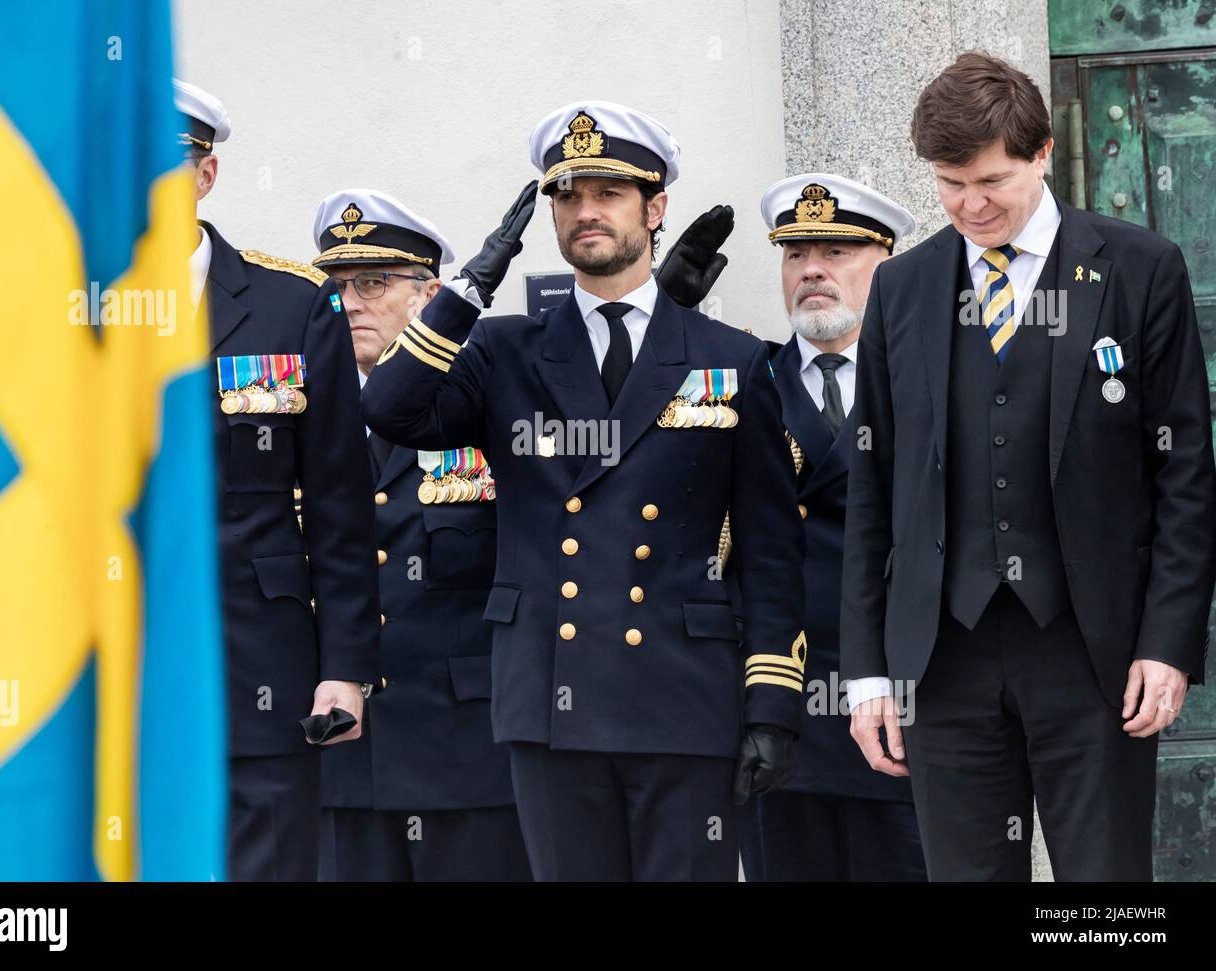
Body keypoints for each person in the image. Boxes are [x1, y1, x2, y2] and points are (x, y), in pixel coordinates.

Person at [360, 101, 806, 882]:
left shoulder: (729, 359)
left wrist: (771, 701)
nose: (585, 211)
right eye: (567, 195)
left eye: (609, 193)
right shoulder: (506, 349)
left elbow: (769, 550)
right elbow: (391, 408)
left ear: (655, 207)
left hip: (682, 702)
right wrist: (469, 287)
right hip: (549, 705)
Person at [840, 53, 1216, 880]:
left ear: (1043, 151)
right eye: (949, 183)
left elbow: (1184, 476)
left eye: (991, 180)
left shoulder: (1139, 268)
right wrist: (867, 669)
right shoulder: (901, 289)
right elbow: (872, 490)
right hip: (945, 657)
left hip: (1094, 652)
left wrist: (1168, 642)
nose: (970, 204)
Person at [175, 80, 382, 881]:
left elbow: (339, 503)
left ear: (207, 174)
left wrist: (346, 667)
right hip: (118, 655)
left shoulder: (291, 306)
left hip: (262, 660)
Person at [309, 188, 531, 881]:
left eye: (372, 283)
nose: (349, 301)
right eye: (336, 286)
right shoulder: (296, 417)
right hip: (342, 761)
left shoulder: (490, 402)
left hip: (468, 761)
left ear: (429, 293)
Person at [738, 174, 926, 882]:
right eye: (795, 253)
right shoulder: (740, 381)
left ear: (886, 264)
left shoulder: (927, 382)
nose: (812, 268)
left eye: (838, 249)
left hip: (900, 707)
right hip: (780, 715)